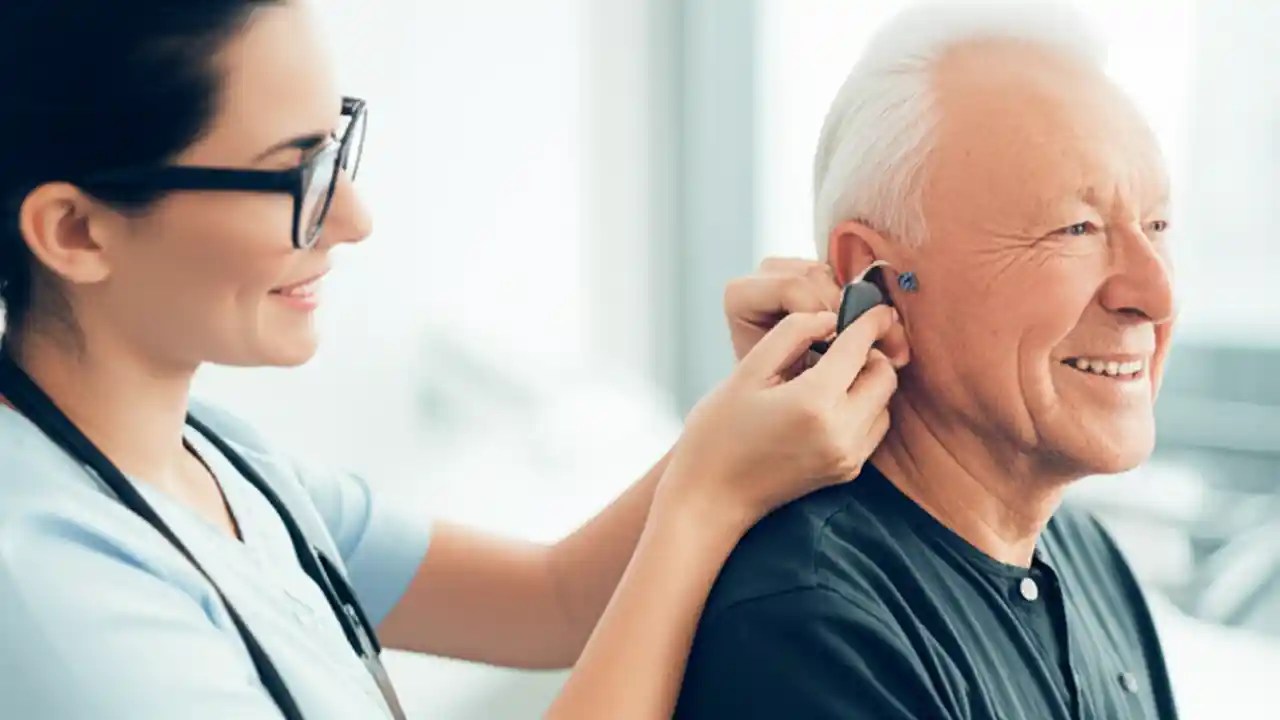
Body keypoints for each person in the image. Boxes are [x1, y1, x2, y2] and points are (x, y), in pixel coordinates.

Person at [0, 2, 908, 718]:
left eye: (337, 144)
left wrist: (749, 412)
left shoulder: (224, 463)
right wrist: (714, 495)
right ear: (76, 231)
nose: (354, 219)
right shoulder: (49, 594)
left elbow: (549, 601)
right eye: (296, 175)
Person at [675, 3, 1180, 719]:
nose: (1154, 294)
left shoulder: (1083, 552)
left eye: (1158, 225)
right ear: (876, 277)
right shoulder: (809, 632)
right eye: (1077, 228)